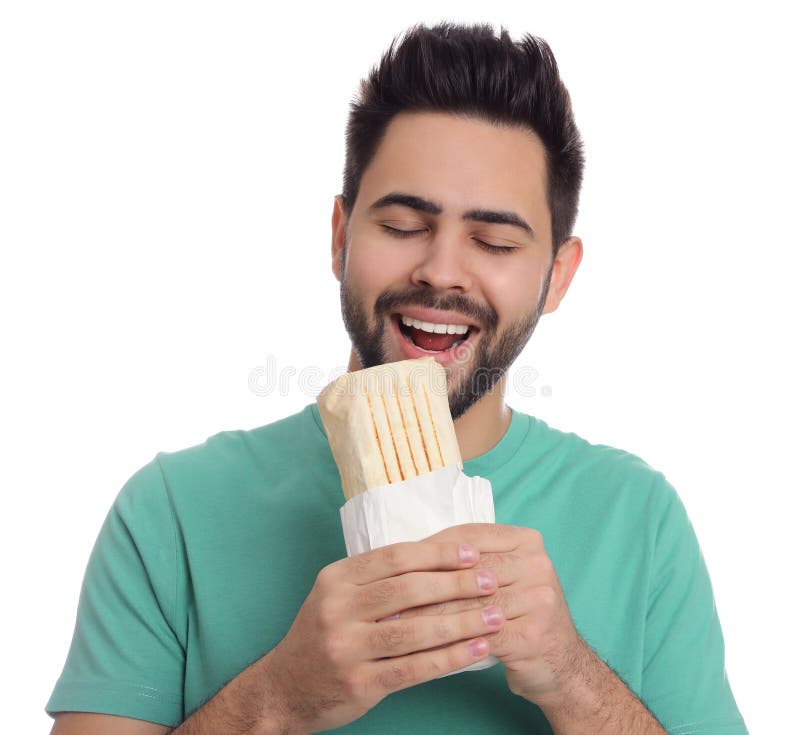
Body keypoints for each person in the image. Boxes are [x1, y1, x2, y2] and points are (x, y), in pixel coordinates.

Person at [47, 22, 748, 735]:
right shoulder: (171, 512)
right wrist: (282, 696)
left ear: (557, 275)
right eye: (405, 224)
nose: (441, 270)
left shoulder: (639, 518)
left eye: (495, 241)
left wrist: (570, 676)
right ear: (340, 236)